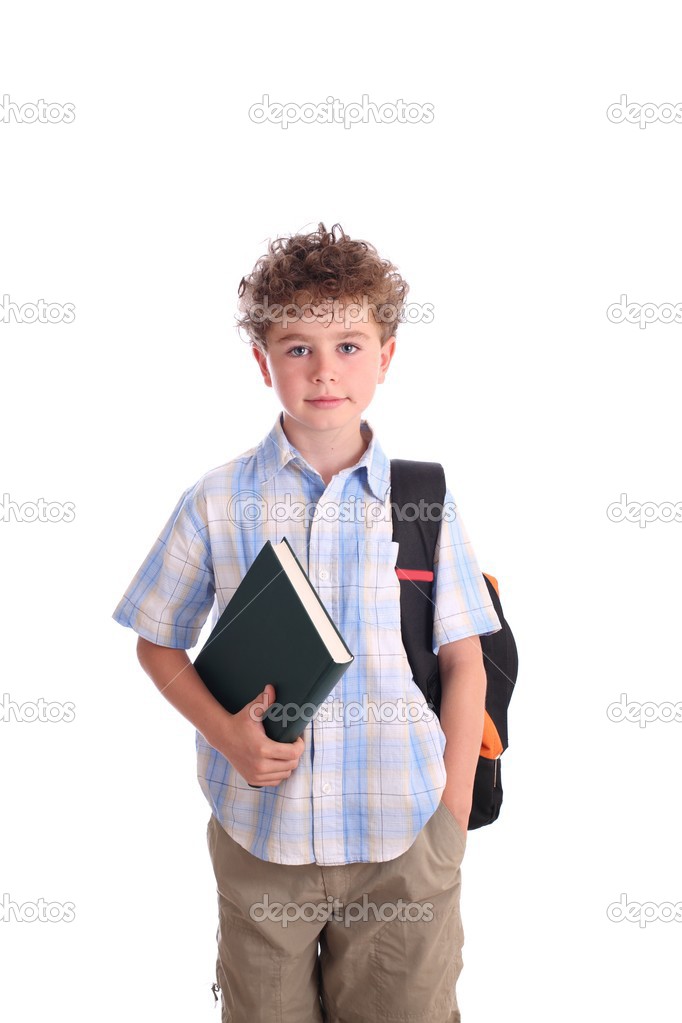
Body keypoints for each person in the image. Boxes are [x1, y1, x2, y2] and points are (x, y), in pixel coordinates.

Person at [112, 222, 502, 1023]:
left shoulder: (420, 498)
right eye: (298, 348)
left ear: (387, 356)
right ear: (264, 361)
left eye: (350, 345)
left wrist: (452, 809)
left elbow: (466, 657)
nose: (325, 370)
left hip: (404, 835)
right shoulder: (218, 500)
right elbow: (158, 639)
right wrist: (228, 737)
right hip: (263, 839)